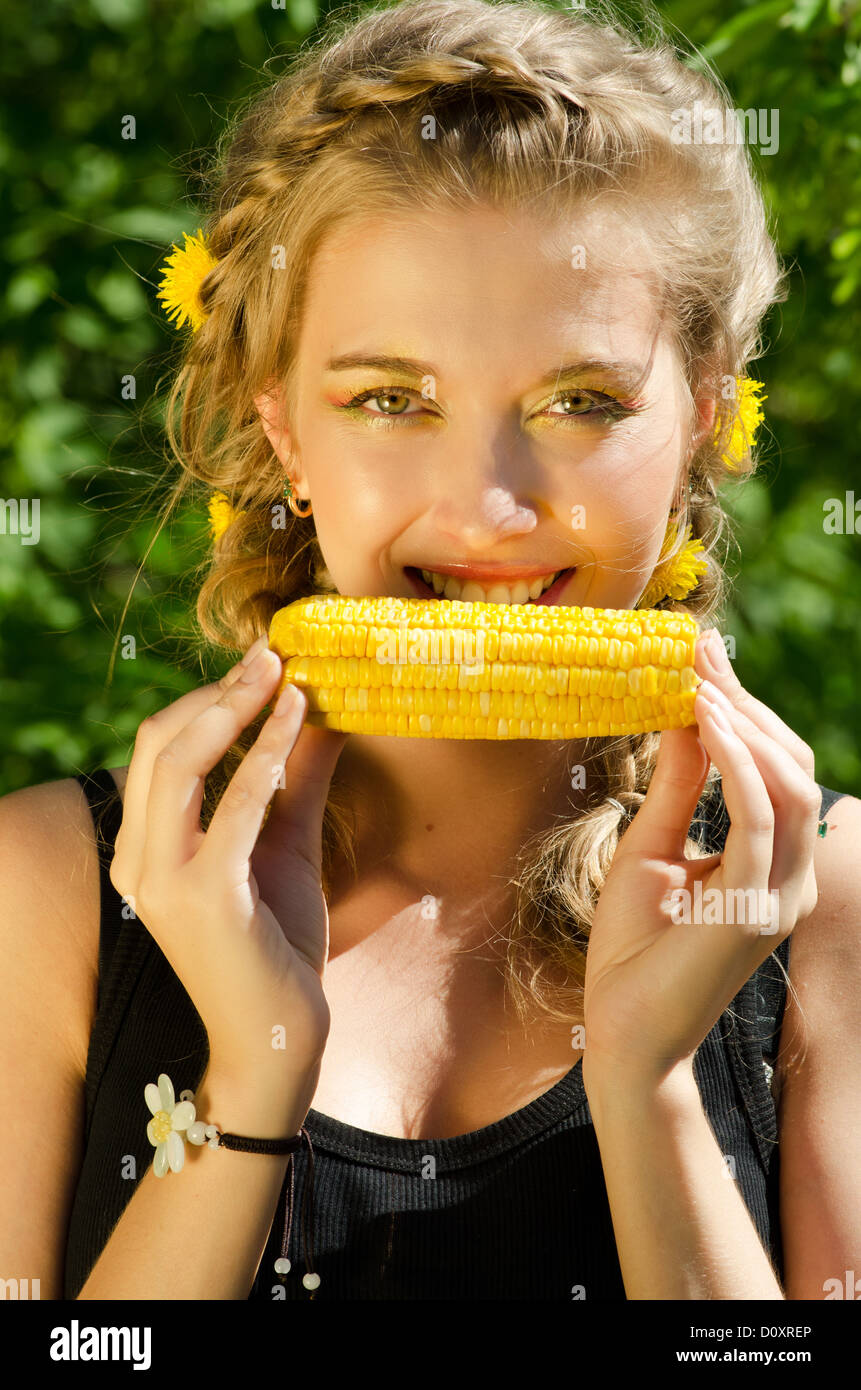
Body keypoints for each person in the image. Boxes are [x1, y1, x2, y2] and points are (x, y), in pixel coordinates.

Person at [2, 0, 859, 1302]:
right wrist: (251, 1082)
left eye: (578, 401)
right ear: (282, 428)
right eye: (389, 398)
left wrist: (646, 1089)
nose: (488, 507)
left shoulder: (826, 907)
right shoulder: (46, 899)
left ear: (707, 410)